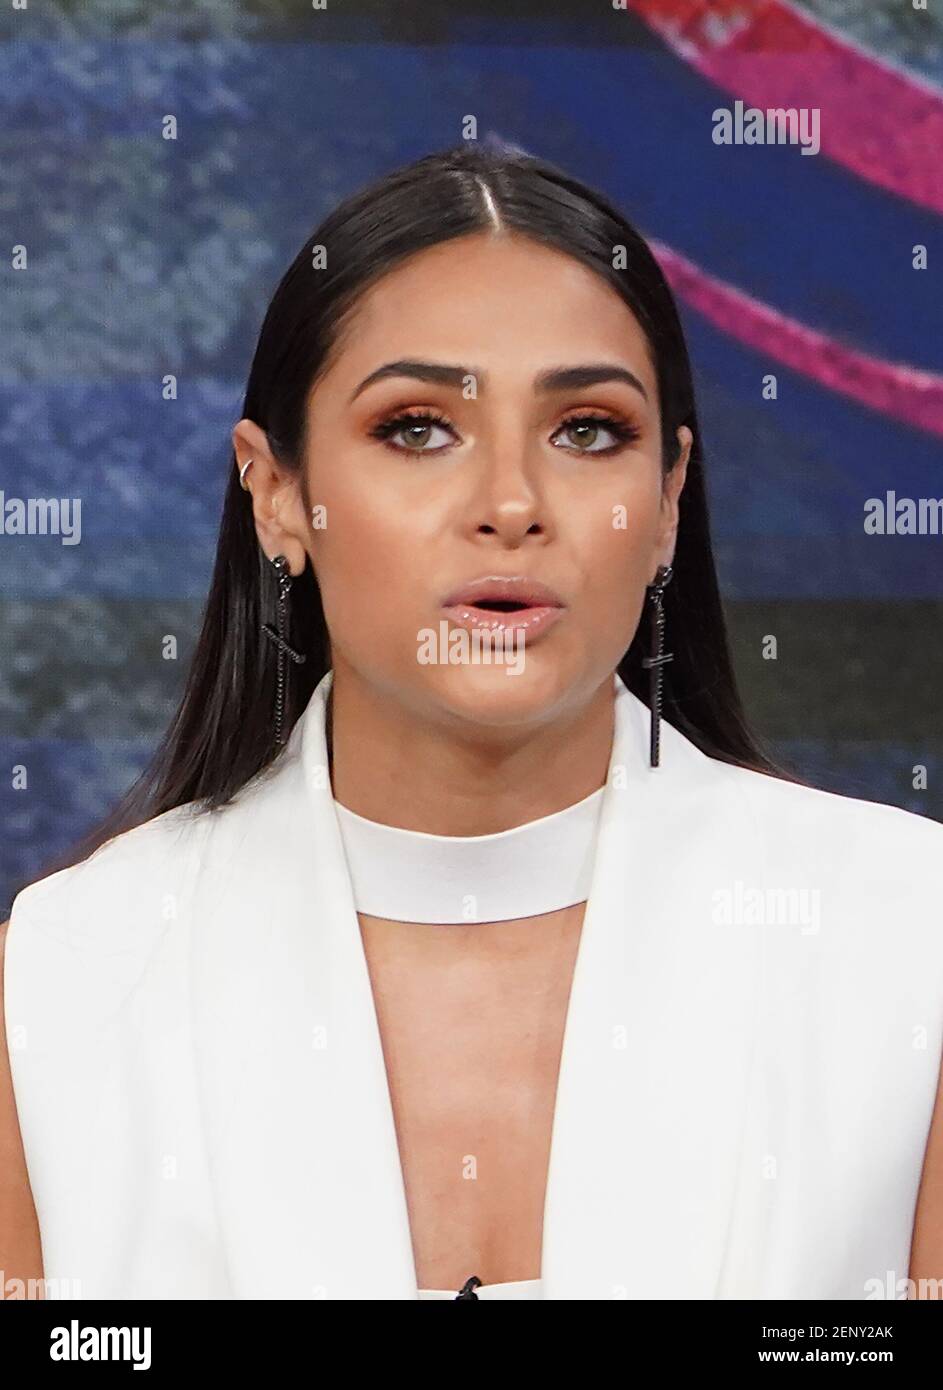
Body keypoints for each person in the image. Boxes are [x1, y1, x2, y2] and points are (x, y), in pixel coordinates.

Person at [2, 144, 942, 1301]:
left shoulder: (906, 940)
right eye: (417, 428)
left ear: (666, 505)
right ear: (277, 494)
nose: (510, 504)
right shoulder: (66, 974)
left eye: (587, 430)